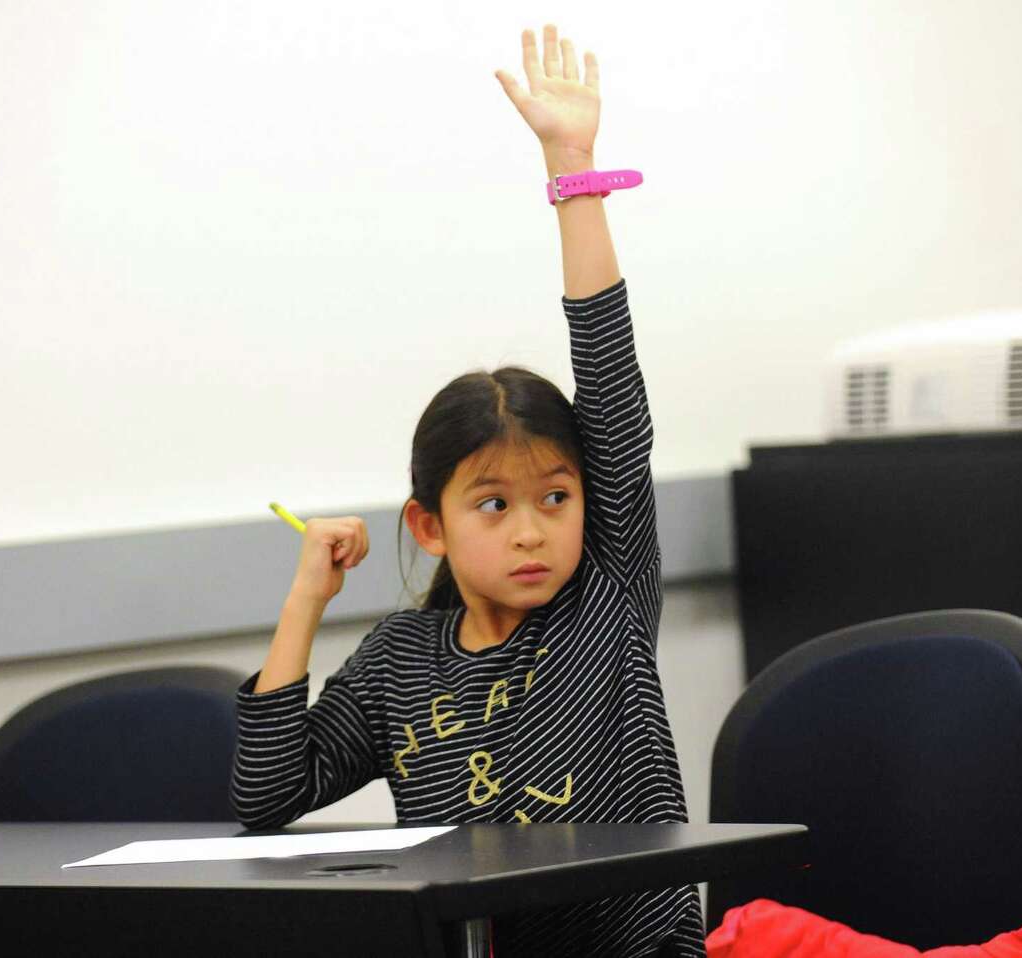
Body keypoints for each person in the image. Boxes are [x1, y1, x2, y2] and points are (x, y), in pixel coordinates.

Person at [230, 23, 706, 958]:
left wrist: (571, 167)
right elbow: (268, 796)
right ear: (430, 525)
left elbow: (608, 382)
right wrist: (305, 600)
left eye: (556, 499)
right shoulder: (401, 662)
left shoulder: (607, 602)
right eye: (493, 504)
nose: (531, 532)